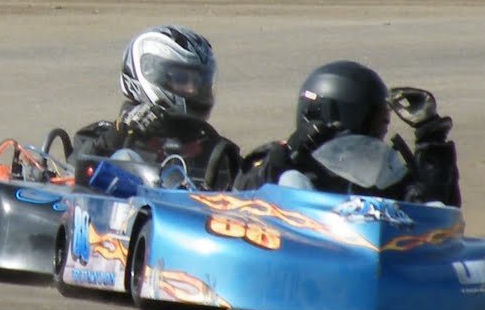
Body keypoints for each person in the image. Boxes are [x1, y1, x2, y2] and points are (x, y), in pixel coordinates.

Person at [234, 59, 461, 205]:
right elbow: (241, 191)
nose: (381, 128)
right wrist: (288, 152)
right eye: (374, 119)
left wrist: (430, 138)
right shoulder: (278, 162)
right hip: (301, 260)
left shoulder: (383, 177)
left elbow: (438, 216)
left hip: (379, 263)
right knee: (291, 180)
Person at [71, 25, 240, 189]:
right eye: (181, 79)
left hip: (184, 215)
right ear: (149, 74)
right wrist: (121, 132)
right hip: (126, 213)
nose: (192, 89)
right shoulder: (102, 137)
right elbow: (79, 172)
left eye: (199, 82)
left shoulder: (214, 148)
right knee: (125, 157)